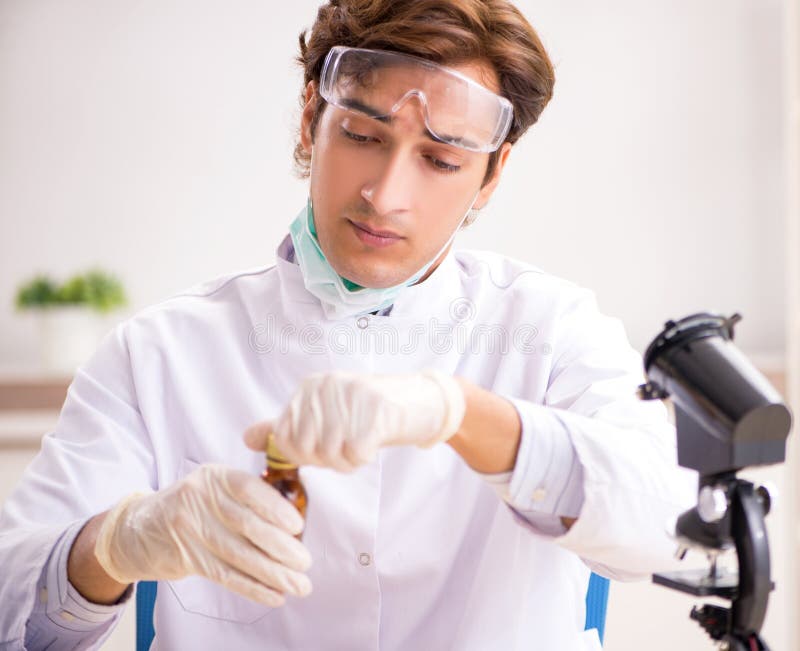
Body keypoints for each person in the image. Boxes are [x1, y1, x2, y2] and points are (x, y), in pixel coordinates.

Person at [0, 1, 697, 649]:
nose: (385, 196)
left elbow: (673, 526)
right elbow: (13, 612)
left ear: (491, 175)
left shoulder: (552, 330)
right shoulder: (160, 353)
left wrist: (459, 413)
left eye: (441, 159)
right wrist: (119, 543)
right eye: (363, 134)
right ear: (312, 119)